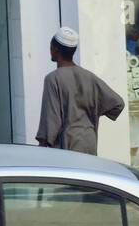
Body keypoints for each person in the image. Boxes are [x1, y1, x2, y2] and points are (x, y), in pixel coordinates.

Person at [36, 26, 125, 155]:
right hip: (90, 142)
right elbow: (118, 104)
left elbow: (50, 122)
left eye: (50, 47)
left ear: (55, 49)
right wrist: (92, 113)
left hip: (68, 146)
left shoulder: (52, 79)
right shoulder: (89, 76)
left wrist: (42, 148)